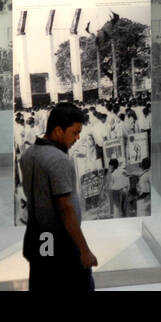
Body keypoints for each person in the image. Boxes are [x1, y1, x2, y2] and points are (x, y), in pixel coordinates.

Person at [19, 101, 98, 290]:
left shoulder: (28, 155)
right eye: (74, 132)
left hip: (37, 239)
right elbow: (65, 207)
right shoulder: (58, 160)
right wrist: (84, 250)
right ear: (57, 130)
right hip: (61, 245)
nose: (78, 138)